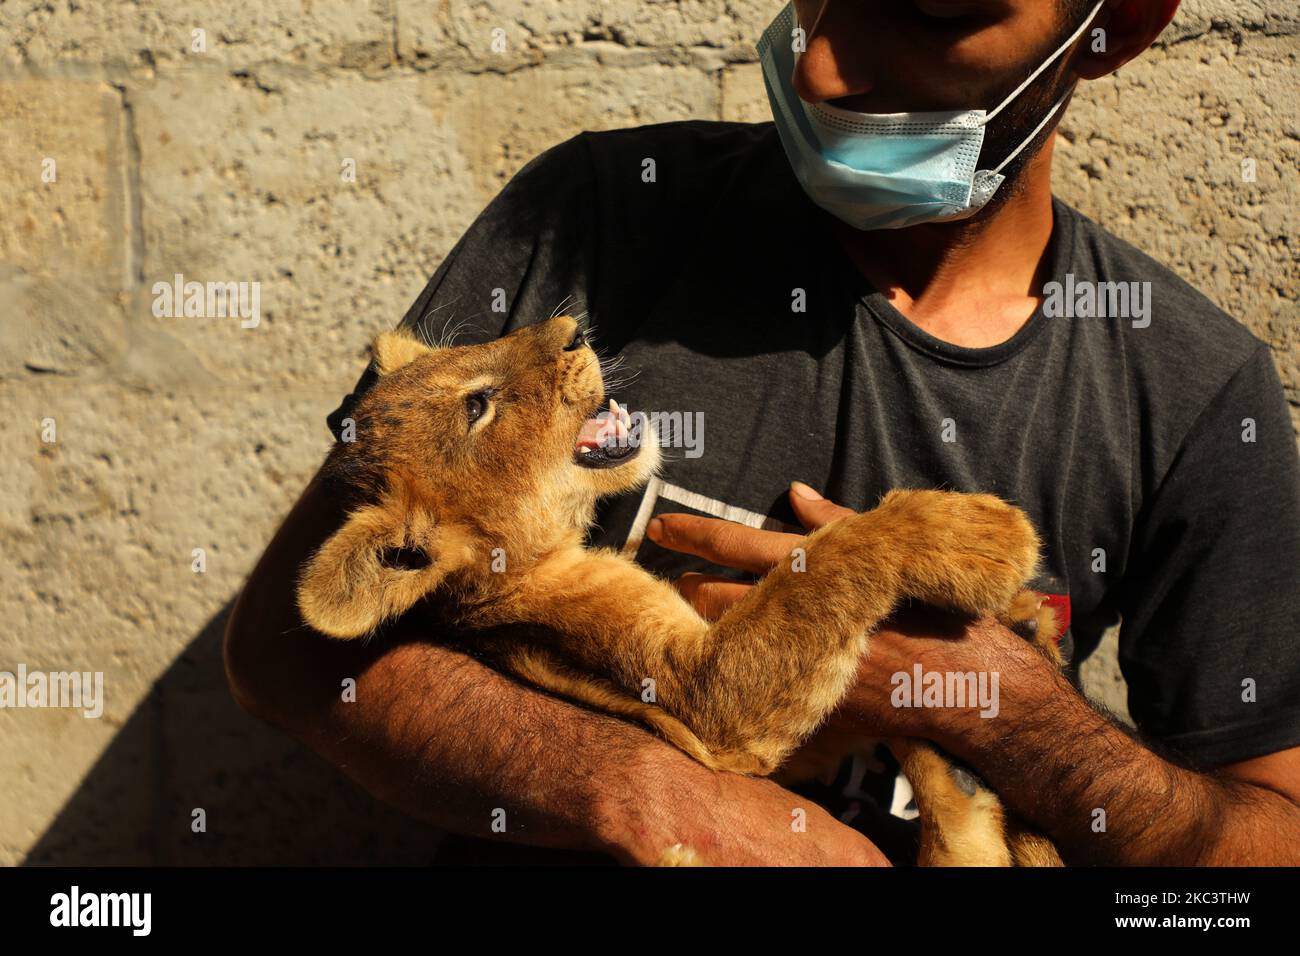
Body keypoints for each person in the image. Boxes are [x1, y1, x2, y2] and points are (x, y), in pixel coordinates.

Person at [223, 0, 1300, 865]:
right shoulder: (597, 216)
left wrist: (1005, 710)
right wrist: (644, 792)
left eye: (926, 14)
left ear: (1113, 29)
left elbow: (1275, 837)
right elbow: (287, 645)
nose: (820, 63)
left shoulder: (1189, 389)